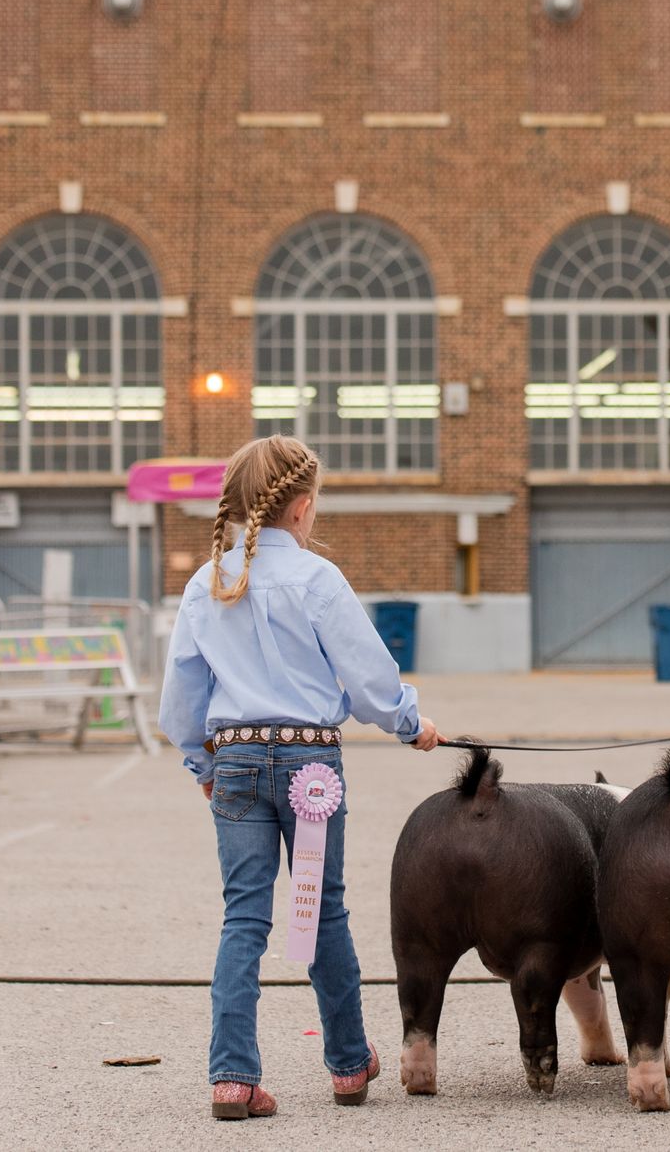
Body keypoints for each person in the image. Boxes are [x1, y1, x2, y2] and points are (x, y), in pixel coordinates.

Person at [159, 434, 440, 1121]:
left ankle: (232, 1077)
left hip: (235, 761)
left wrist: (203, 764)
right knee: (320, 912)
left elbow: (179, 702)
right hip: (310, 765)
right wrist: (411, 724)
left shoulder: (205, 584)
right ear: (303, 505)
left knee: (243, 917)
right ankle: (348, 1063)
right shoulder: (318, 579)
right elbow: (368, 678)